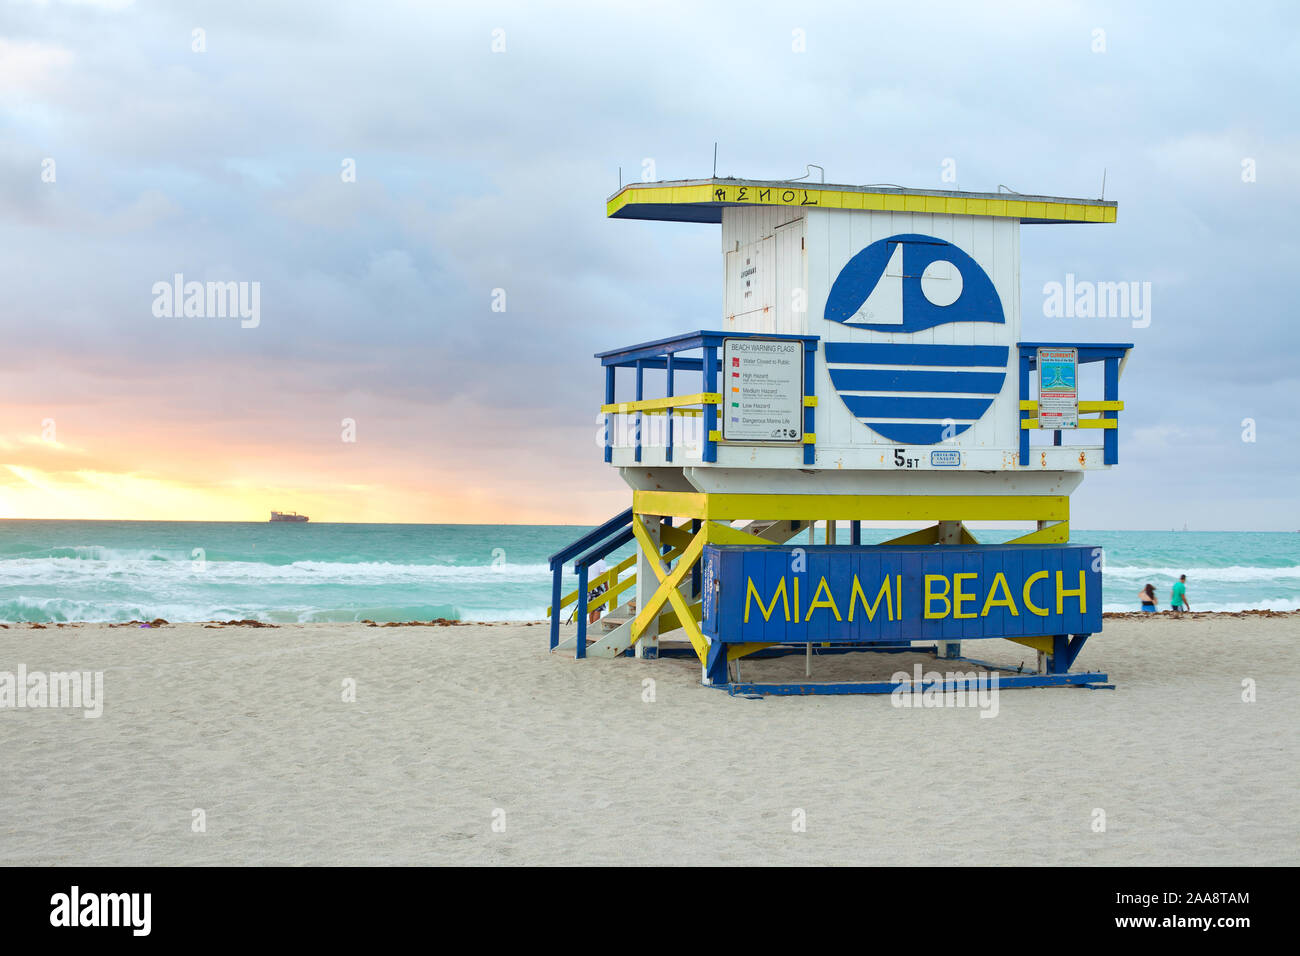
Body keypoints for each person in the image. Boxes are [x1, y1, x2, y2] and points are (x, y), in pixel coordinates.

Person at [587, 557, 609, 625]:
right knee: (598, 608)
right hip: (597, 587)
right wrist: (606, 586)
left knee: (592, 608)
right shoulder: (601, 562)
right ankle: (594, 626)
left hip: (589, 586)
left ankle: (591, 625)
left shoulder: (590, 562)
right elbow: (603, 576)